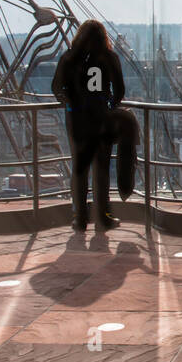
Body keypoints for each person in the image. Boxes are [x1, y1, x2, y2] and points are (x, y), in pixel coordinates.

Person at [51, 19, 126, 230]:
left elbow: (56, 88)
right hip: (101, 120)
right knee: (101, 170)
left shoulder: (69, 58)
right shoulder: (110, 58)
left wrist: (72, 103)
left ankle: (80, 218)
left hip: (76, 122)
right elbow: (120, 91)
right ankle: (103, 217)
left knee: (79, 170)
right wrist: (108, 104)